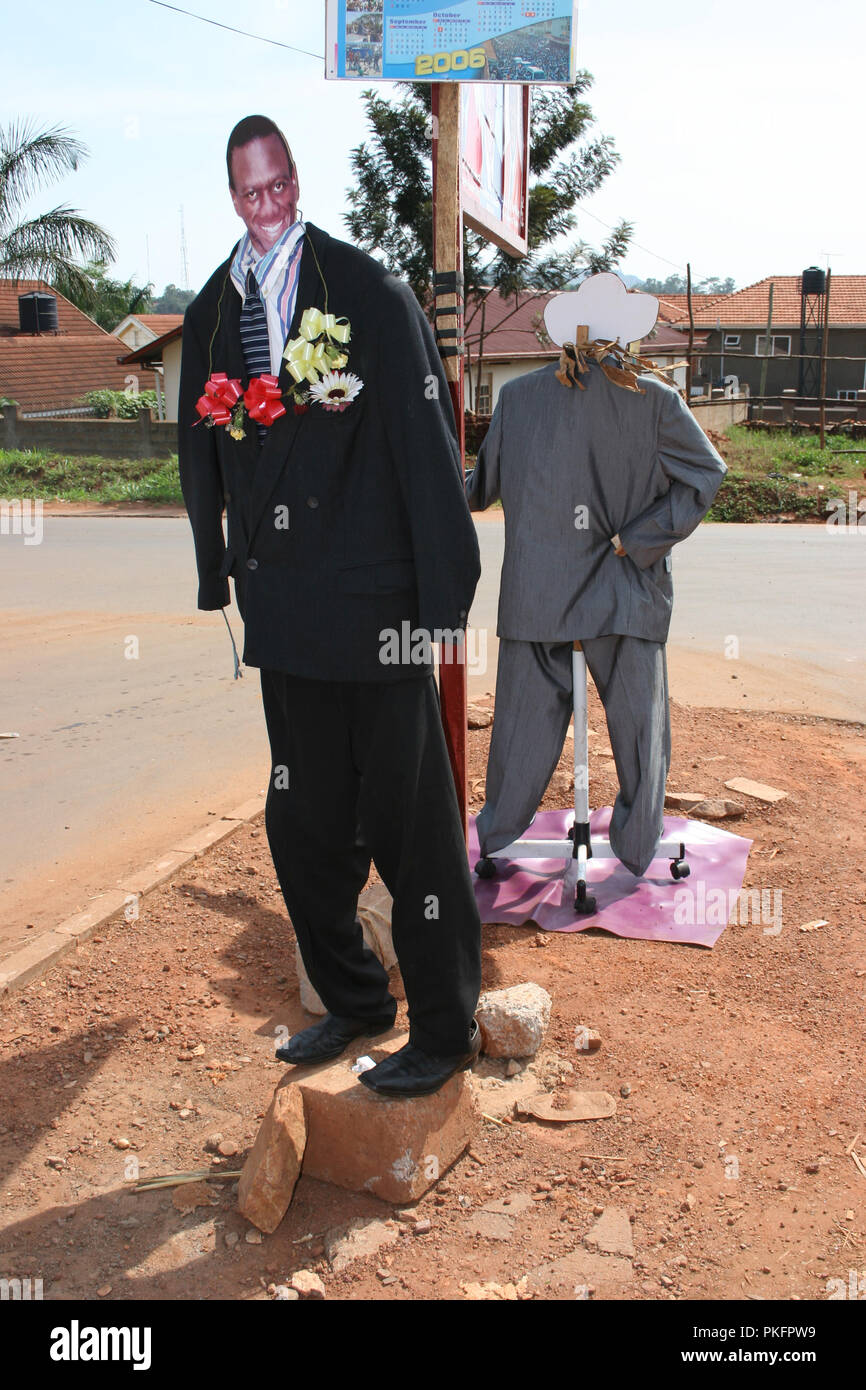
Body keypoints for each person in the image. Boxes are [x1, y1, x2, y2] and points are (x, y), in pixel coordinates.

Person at [178, 115, 482, 1097]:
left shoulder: (363, 290)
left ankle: (442, 1027)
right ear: (230, 194)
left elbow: (425, 443)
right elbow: (199, 447)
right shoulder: (213, 317)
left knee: (411, 830)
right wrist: (212, 566)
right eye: (244, 192)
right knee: (300, 823)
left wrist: (444, 598)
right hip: (284, 612)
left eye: (275, 188)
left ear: (295, 183)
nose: (262, 207)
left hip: (377, 609)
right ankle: (353, 997)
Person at [466, 311, 727, 879]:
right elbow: (707, 474)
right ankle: (637, 848)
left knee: (522, 723)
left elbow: (476, 491)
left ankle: (498, 834)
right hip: (626, 589)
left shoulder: (517, 397)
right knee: (639, 726)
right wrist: (638, 540)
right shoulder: (654, 399)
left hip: (538, 594)